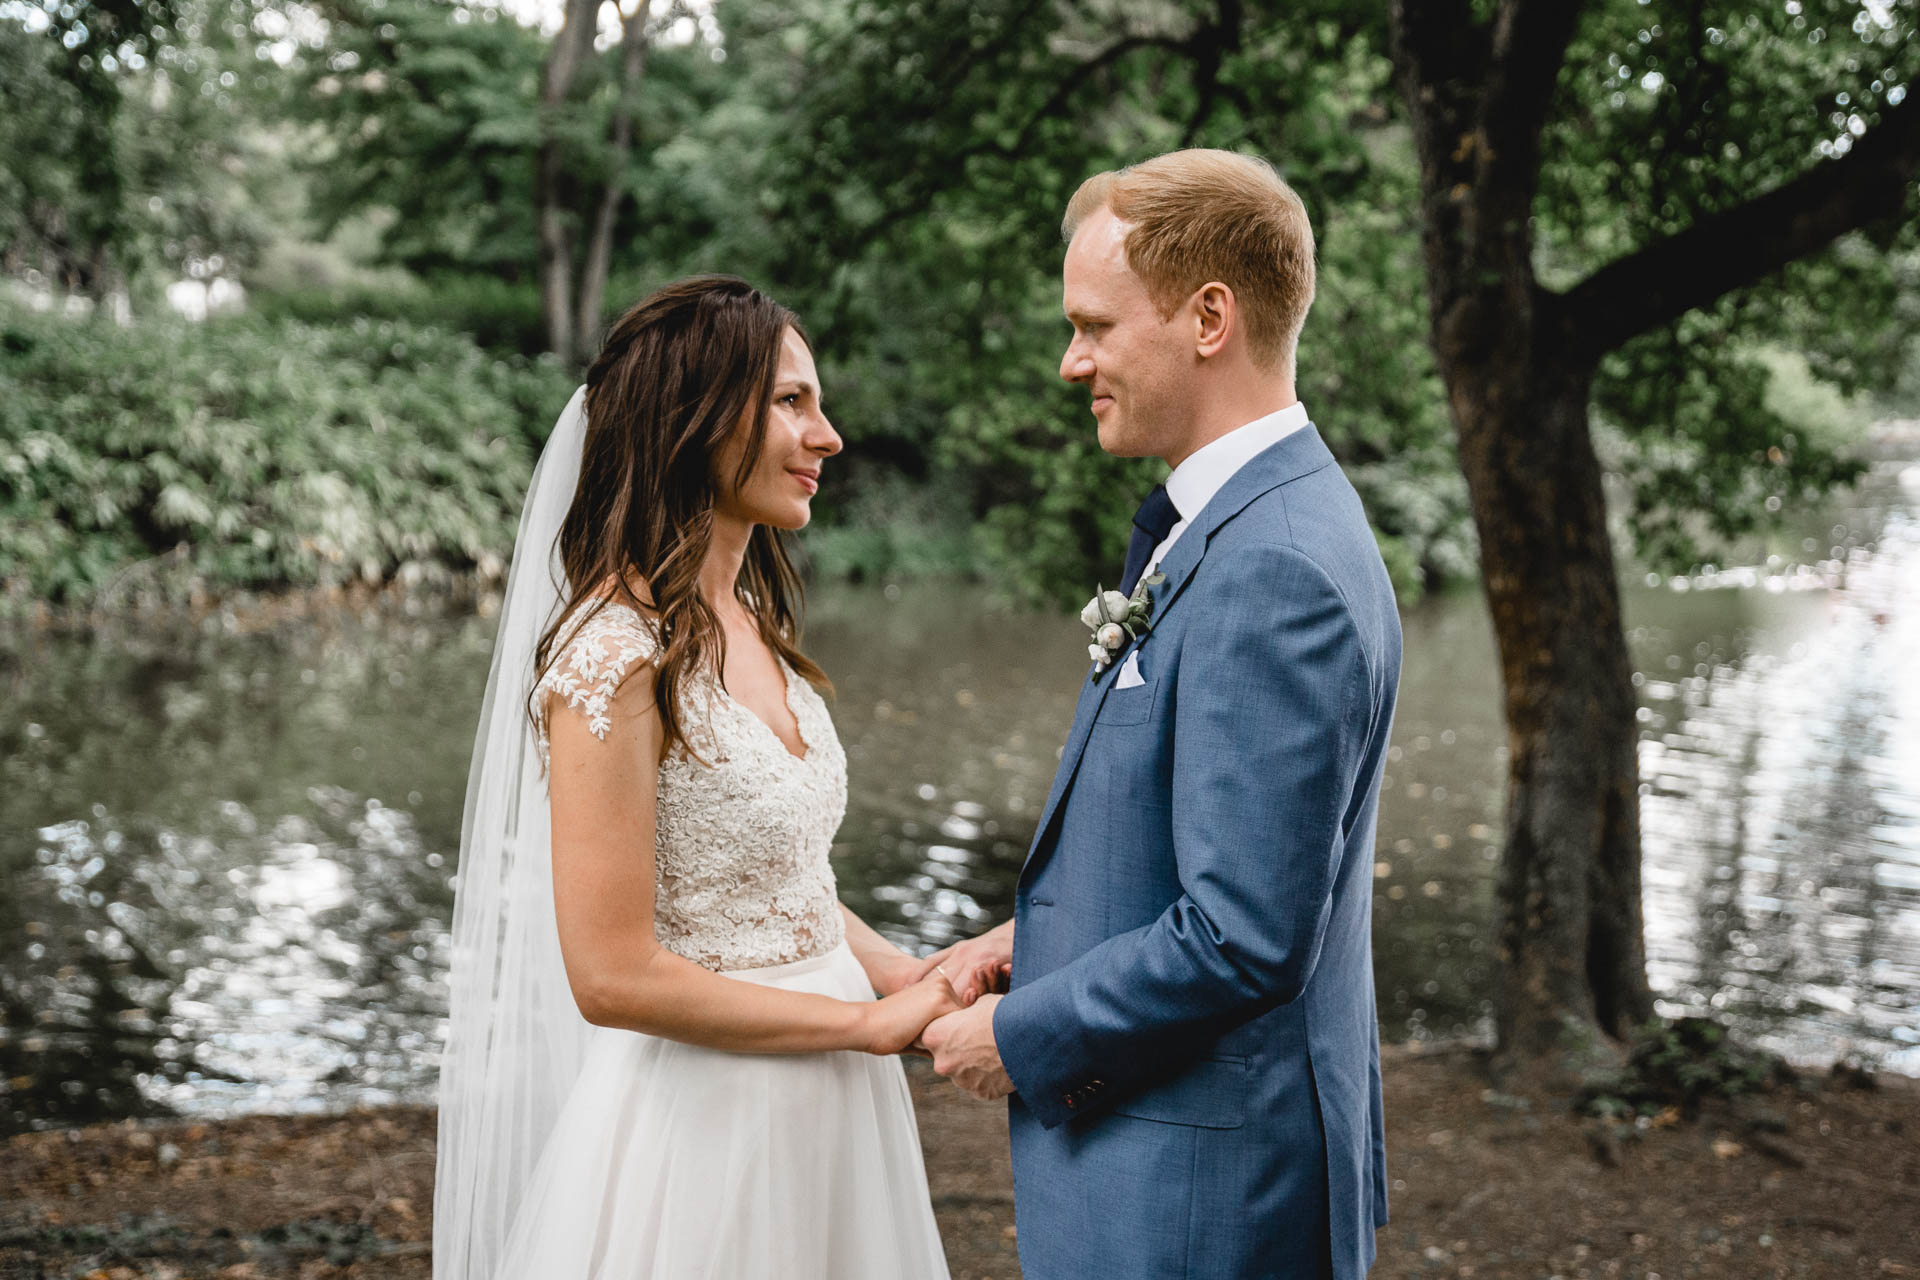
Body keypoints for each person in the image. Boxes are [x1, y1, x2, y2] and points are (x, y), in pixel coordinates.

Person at [432, 276, 986, 1279]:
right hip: (710, 1121)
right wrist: (864, 1023)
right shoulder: (612, 653)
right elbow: (609, 974)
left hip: (831, 1097)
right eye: (791, 401)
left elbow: (778, 879)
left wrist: (901, 971)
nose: (829, 436)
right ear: (688, 416)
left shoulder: (746, 621)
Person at [917, 150, 1401, 1278]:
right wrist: (1034, 942)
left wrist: (1022, 1034)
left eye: (1094, 324)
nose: (1069, 359)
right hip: (1188, 1179)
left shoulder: (1276, 564)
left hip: (1204, 1204)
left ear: (1209, 316)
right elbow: (1205, 857)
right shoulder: (1239, 522)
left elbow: (1242, 933)